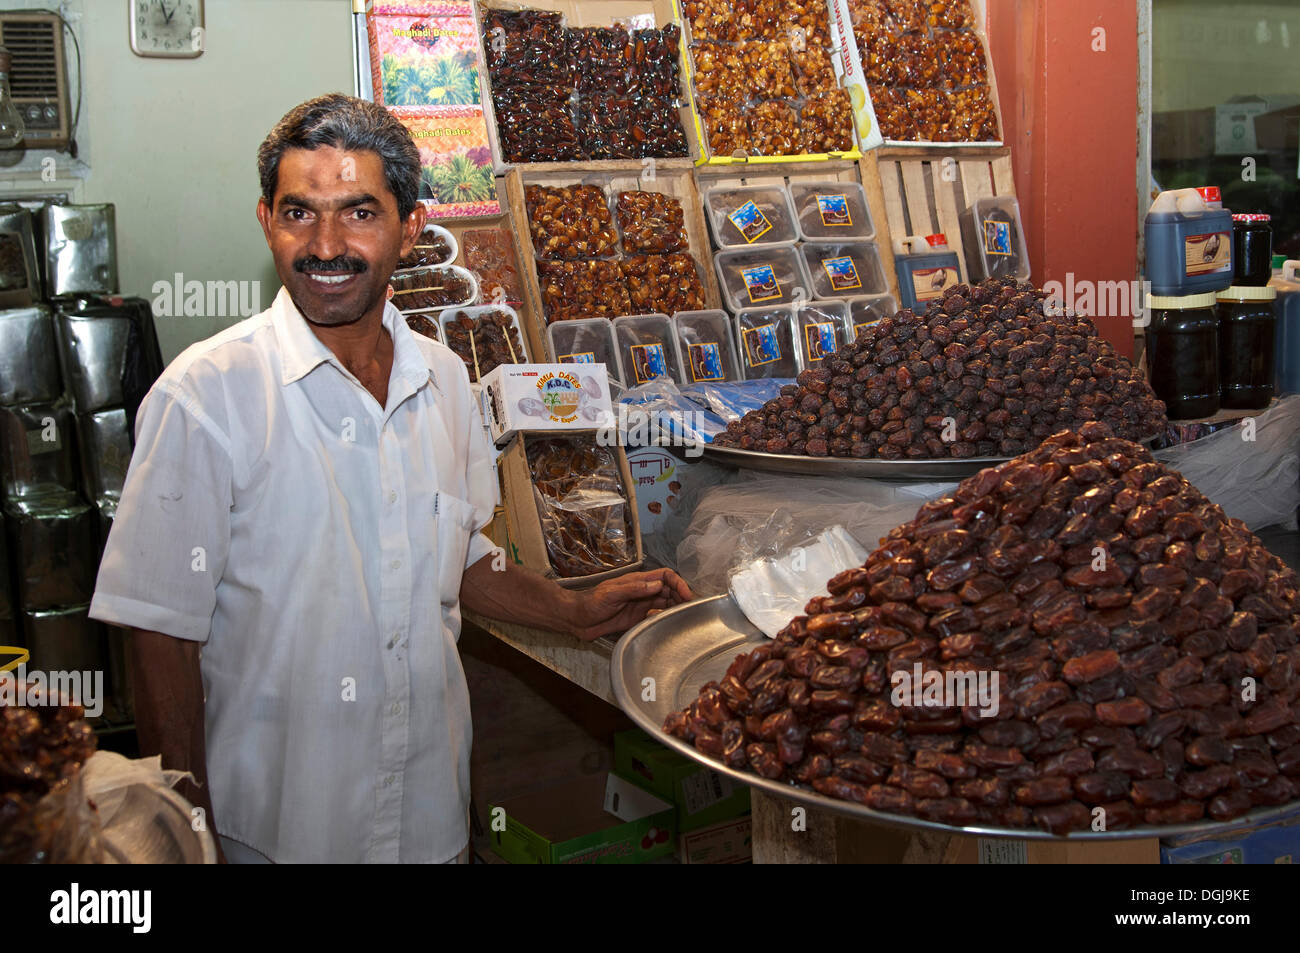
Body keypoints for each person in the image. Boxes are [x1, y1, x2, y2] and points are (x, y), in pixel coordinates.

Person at [89, 94, 692, 864]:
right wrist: (193, 831)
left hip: (426, 821)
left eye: (359, 214)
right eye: (299, 213)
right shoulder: (205, 396)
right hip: (273, 832)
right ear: (265, 219)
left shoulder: (444, 380)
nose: (326, 244)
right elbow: (158, 633)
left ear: (409, 228)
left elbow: (460, 555)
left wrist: (573, 611)